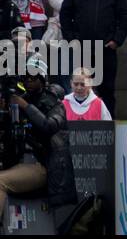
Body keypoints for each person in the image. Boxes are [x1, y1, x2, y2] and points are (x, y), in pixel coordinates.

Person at [60, 0, 127, 118]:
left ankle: (108, 134)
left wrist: (116, 40)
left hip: (105, 50)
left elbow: (125, 17)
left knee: (107, 92)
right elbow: (65, 15)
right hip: (81, 50)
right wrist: (71, 39)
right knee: (79, 90)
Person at [0, 55, 75, 218]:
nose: (28, 81)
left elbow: (48, 126)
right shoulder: (21, 101)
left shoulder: (55, 103)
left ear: (42, 79)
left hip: (42, 166)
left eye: (32, 78)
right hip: (19, 161)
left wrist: (25, 106)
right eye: (25, 77)